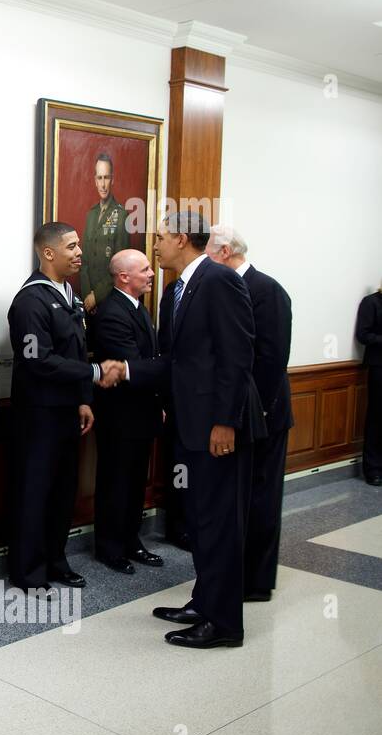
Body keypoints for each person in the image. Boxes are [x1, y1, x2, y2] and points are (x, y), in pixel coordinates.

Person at [101, 211, 264, 648]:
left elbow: (236, 357)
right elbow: (177, 362)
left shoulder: (218, 280)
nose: (155, 245)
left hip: (218, 426)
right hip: (192, 424)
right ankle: (204, 601)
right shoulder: (180, 289)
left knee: (221, 523)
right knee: (202, 519)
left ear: (181, 238)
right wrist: (128, 369)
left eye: (160, 237)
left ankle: (224, 624)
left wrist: (226, 422)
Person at [6, 222, 101, 593]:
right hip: (38, 415)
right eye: (72, 246)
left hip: (66, 410)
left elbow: (75, 349)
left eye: (79, 245)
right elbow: (37, 360)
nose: (80, 252)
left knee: (63, 490)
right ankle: (28, 572)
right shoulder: (30, 301)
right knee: (34, 492)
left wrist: (83, 398)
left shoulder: (69, 295)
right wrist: (93, 374)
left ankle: (56, 562)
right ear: (48, 253)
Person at [207, 227, 292, 600]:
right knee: (238, 500)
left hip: (264, 414)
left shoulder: (266, 289)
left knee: (261, 497)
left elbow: (271, 360)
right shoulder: (226, 287)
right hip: (238, 414)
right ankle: (233, 574)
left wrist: (251, 413)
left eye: (206, 250)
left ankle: (256, 582)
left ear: (224, 252)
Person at [91, 249, 163, 574]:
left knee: (135, 483)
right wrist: (162, 368)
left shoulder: (138, 308)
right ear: (123, 276)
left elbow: (147, 362)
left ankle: (131, 540)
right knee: (115, 482)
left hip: (143, 412)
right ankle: (110, 547)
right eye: (145, 269)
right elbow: (133, 364)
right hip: (119, 417)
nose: (151, 273)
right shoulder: (111, 312)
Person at [81, 152, 130, 315]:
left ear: (112, 180)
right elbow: (85, 261)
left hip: (108, 300)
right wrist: (87, 296)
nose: (103, 184)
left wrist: (96, 297)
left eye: (106, 178)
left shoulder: (122, 215)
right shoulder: (91, 214)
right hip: (88, 301)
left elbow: (120, 265)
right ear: (95, 180)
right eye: (100, 178)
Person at [357, 283, 382, 486]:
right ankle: (372, 469)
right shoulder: (371, 302)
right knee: (377, 417)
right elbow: (363, 335)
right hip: (379, 366)